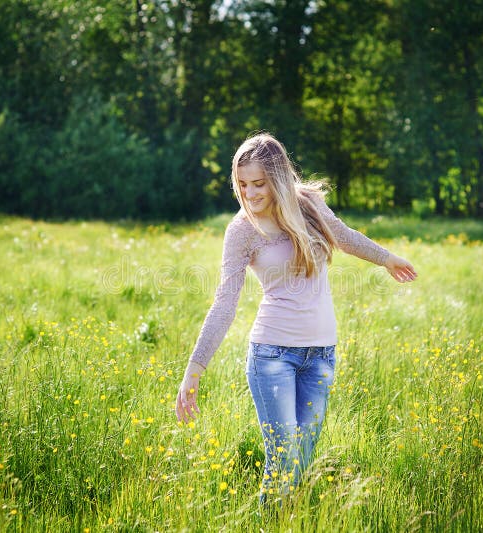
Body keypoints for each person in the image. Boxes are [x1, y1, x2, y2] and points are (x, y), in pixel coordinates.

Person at [174, 132, 417, 504]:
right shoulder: (241, 230)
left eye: (258, 184)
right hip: (272, 356)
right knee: (282, 461)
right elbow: (225, 302)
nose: (250, 194)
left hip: (320, 354)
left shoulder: (309, 206)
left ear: (278, 179)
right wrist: (194, 370)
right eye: (242, 185)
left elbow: (345, 236)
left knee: (301, 464)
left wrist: (386, 258)